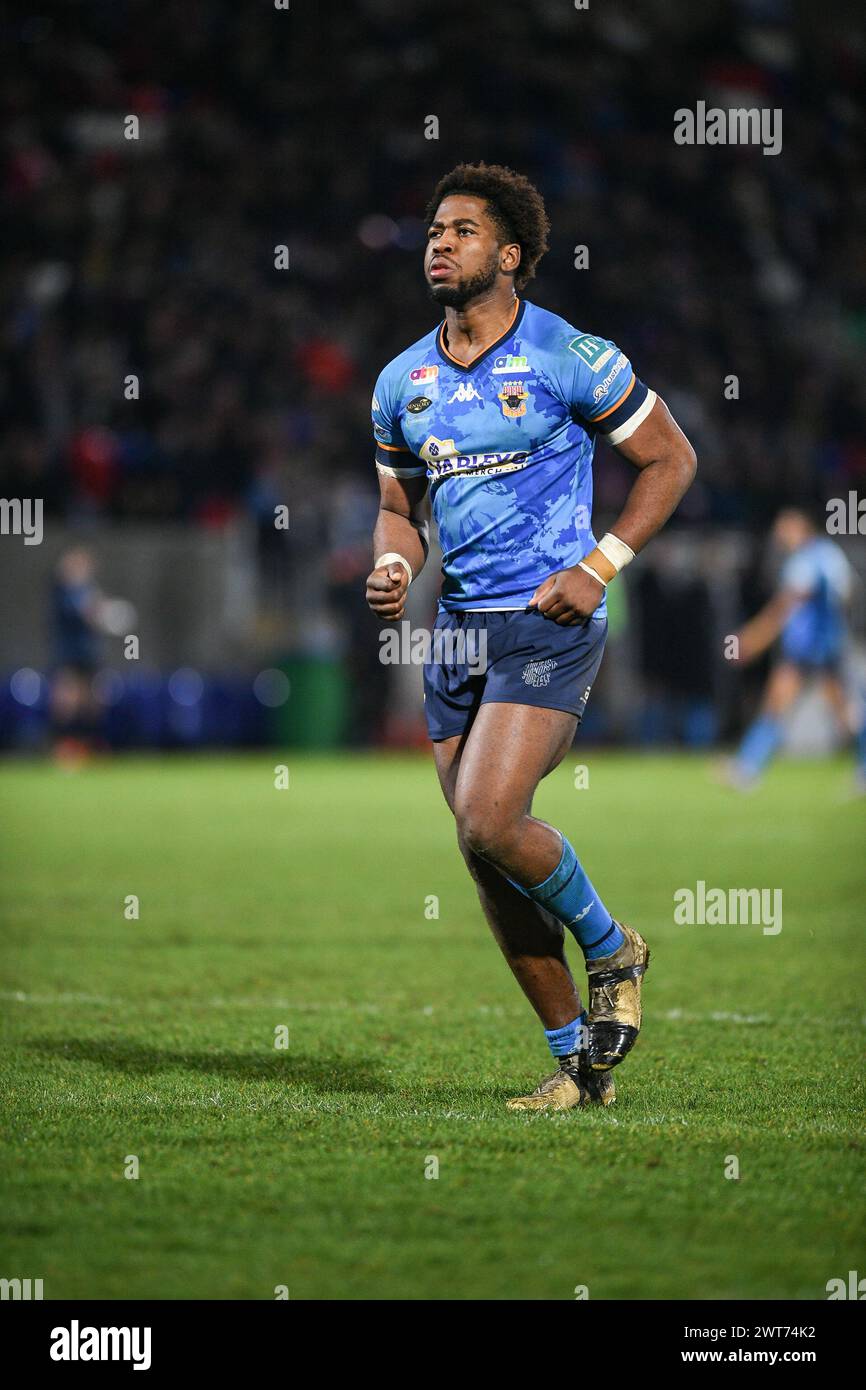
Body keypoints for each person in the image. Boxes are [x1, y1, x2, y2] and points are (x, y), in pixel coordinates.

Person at [365, 164, 696, 1111]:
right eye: (433, 229)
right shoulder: (402, 382)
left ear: (509, 256)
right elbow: (397, 507)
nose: (439, 242)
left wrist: (598, 567)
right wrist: (394, 562)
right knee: (485, 857)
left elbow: (671, 460)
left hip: (549, 621)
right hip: (457, 631)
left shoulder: (569, 356)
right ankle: (577, 1068)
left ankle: (613, 947)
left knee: (487, 818)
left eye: (462, 230)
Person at [729, 506, 855, 788]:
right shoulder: (831, 554)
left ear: (800, 527)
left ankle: (747, 768)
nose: (779, 534)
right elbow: (847, 596)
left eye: (784, 528)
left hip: (808, 646)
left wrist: (751, 639)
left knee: (787, 705)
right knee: (842, 710)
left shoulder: (804, 561)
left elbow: (784, 608)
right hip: (829, 642)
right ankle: (747, 767)